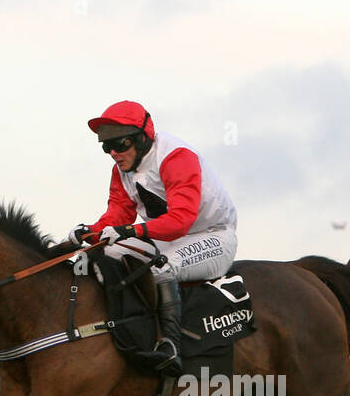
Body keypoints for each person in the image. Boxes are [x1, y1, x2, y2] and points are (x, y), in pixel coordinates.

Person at [67, 101, 238, 378]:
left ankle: (169, 345)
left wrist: (132, 231)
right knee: (101, 255)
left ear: (141, 138)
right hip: (166, 238)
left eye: (120, 144)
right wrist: (89, 232)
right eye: (106, 147)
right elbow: (118, 215)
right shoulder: (121, 170)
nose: (113, 153)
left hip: (214, 236)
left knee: (161, 266)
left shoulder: (176, 157)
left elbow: (181, 220)